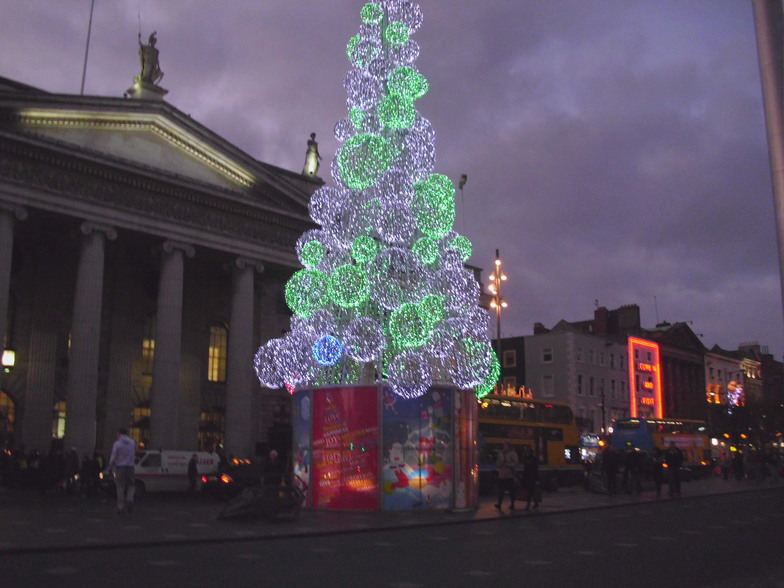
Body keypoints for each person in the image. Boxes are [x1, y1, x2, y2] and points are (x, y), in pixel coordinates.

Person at [109, 428, 136, 514]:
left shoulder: (117, 444)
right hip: (131, 466)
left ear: (120, 434)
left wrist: (110, 465)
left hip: (120, 467)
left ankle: (121, 506)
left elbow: (113, 456)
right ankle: (130, 499)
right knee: (131, 485)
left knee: (120, 487)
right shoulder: (132, 442)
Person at [494, 442, 518, 510]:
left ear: (509, 446)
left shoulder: (513, 453)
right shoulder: (500, 453)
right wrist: (499, 464)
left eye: (506, 446)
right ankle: (499, 504)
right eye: (504, 446)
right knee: (501, 490)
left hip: (509, 475)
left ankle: (512, 504)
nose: (504, 447)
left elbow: (516, 463)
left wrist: (507, 464)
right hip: (501, 474)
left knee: (511, 490)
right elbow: (497, 462)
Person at [521, 446, 540, 510]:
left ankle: (528, 505)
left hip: (529, 477)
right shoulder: (535, 459)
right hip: (532, 477)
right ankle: (535, 502)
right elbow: (536, 469)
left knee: (529, 491)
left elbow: (525, 469)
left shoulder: (526, 459)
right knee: (532, 491)